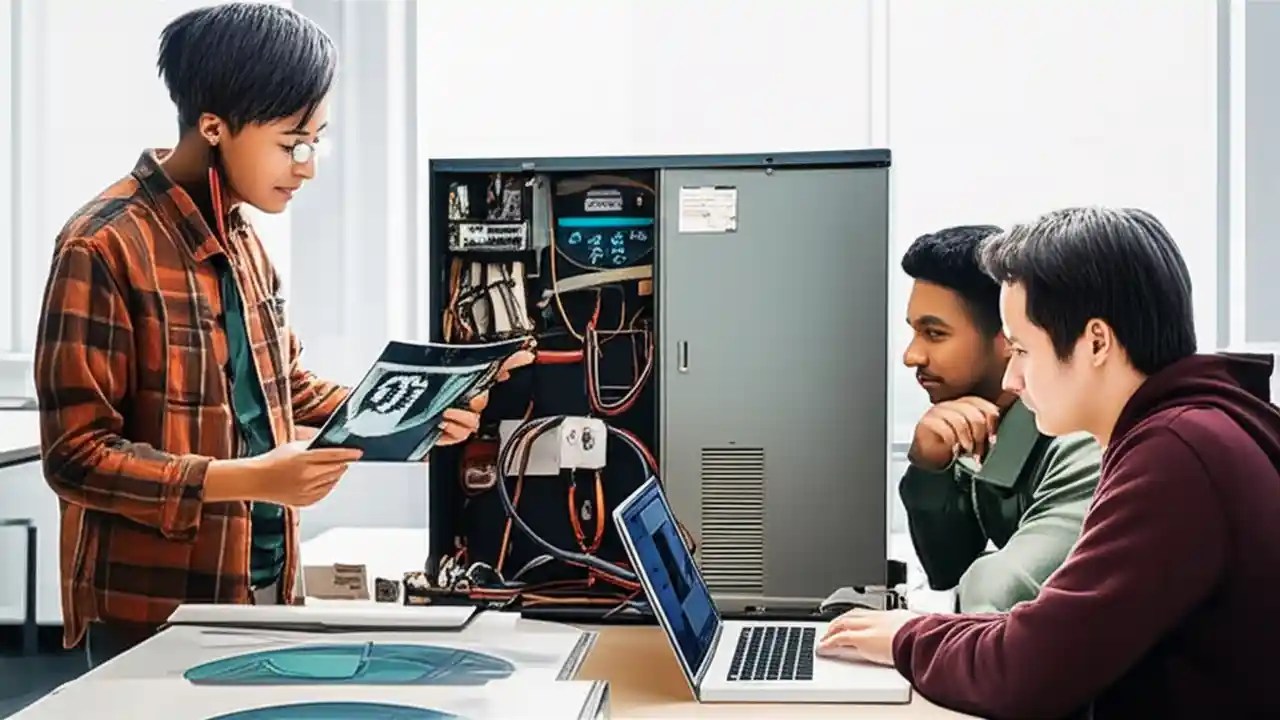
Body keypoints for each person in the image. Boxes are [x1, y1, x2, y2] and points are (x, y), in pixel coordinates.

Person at [32, 3, 531, 667]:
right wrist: (247, 480)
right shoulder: (101, 245)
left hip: (262, 586)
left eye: (316, 141)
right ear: (214, 127)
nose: (308, 165)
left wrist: (420, 413)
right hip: (153, 610)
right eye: (293, 141)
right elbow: (75, 457)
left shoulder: (241, 239)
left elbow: (283, 387)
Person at [819, 207, 1280, 718]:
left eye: (1021, 351)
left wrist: (908, 638)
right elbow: (1054, 634)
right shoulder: (1188, 431)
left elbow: (1026, 671)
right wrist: (920, 630)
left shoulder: (1174, 454)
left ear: (1096, 342)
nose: (1012, 380)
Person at [899, 225, 1101, 612]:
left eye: (934, 333)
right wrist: (930, 468)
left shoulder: (1078, 438)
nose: (912, 355)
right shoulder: (978, 421)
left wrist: (909, 637)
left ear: (1008, 337)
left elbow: (1003, 593)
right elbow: (948, 570)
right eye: (914, 332)